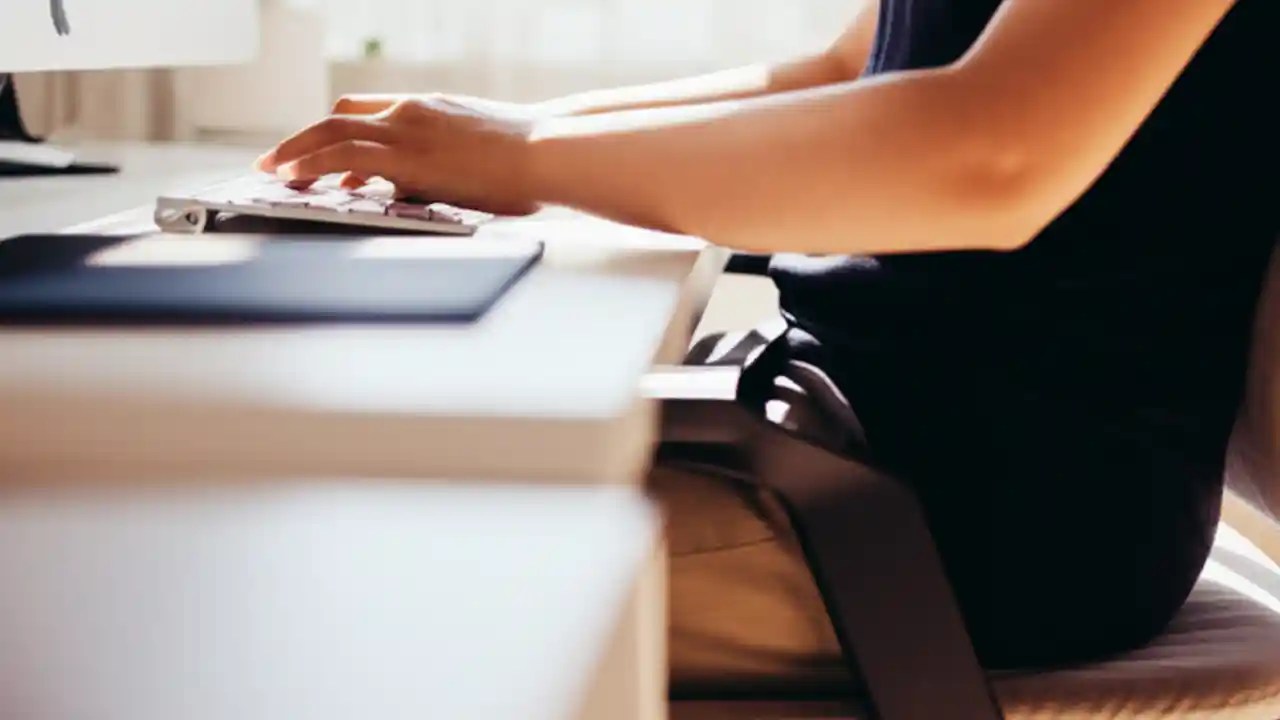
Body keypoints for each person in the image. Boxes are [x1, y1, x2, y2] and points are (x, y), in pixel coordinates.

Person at [258, 0, 1278, 686]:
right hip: (872, 442)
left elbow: (992, 155)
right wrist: (503, 137)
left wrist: (525, 154)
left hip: (970, 513)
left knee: (289, 568)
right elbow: (848, 68)